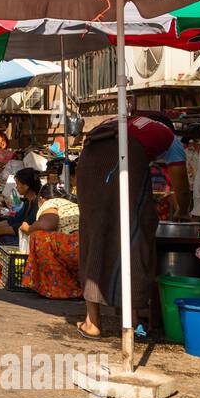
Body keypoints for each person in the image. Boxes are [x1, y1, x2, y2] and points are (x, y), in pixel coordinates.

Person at [75, 112, 183, 339]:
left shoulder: (117, 121)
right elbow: (180, 183)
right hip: (123, 157)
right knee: (135, 234)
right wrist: (183, 210)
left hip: (88, 162)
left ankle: (92, 321)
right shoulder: (168, 136)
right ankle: (132, 320)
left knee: (93, 233)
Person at [21, 194, 83, 299]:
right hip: (91, 247)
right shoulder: (72, 206)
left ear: (41, 199)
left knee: (38, 235)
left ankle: (59, 289)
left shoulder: (51, 203)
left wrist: (28, 228)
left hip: (76, 245)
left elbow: (47, 225)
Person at [0, 168, 43, 243]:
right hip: (22, 232)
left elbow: (24, 226)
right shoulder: (28, 202)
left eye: (17, 184)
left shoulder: (37, 204)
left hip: (31, 239)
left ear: (26, 186)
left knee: (4, 238)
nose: (16, 187)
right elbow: (15, 219)